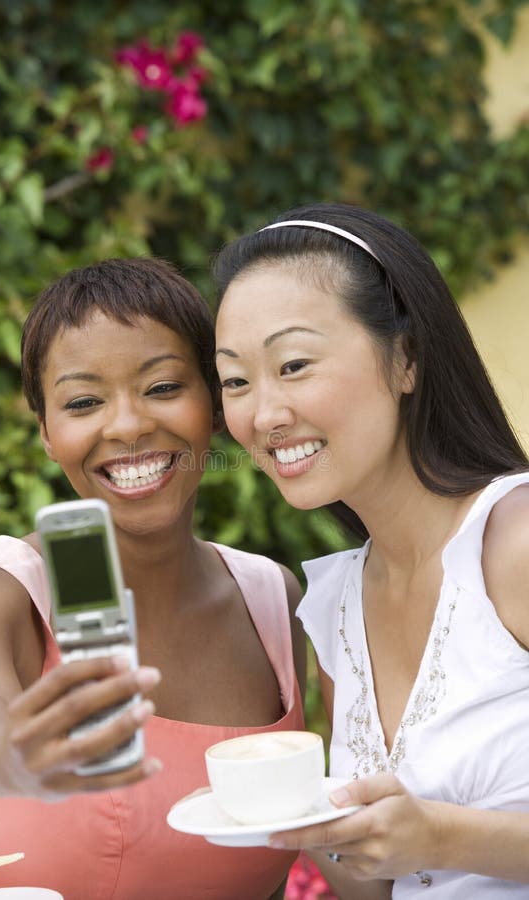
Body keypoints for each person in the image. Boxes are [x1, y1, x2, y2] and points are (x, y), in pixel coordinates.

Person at [0, 258, 307, 900]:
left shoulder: (275, 602)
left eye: (162, 387)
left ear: (215, 404)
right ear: (47, 433)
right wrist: (14, 754)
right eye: (83, 402)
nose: (128, 425)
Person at [213, 203, 529, 899]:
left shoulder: (516, 543)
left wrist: (444, 836)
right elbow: (375, 889)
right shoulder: (336, 608)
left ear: (406, 358)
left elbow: (430, 843)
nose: (262, 415)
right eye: (236, 380)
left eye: (293, 364)